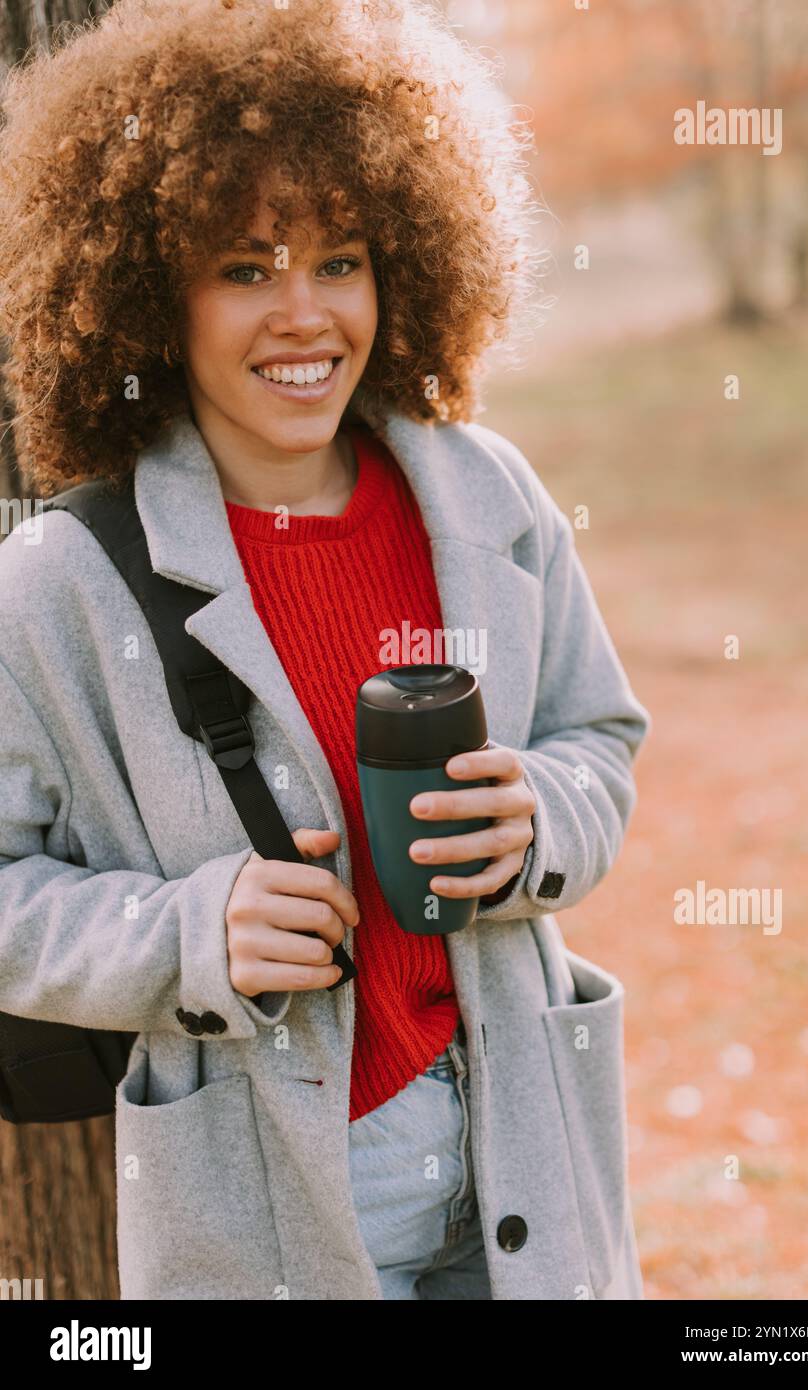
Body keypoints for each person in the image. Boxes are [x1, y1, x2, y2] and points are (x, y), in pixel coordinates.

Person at [0, 0, 651, 1300]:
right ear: (145, 286)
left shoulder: (489, 496)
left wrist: (543, 814)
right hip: (263, 1199)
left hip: (526, 1134)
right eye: (244, 267)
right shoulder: (63, 581)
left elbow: (601, 739)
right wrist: (186, 931)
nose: (304, 314)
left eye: (338, 258)